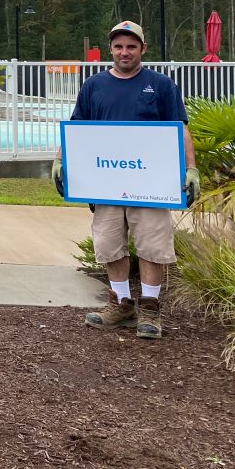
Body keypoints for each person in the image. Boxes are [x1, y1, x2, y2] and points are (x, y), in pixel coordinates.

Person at [54, 20, 198, 339]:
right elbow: (78, 130)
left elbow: (180, 128)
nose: (125, 52)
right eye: (119, 46)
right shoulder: (94, 86)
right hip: (105, 183)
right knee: (108, 243)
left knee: (151, 245)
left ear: (142, 49)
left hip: (150, 186)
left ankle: (149, 309)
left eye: (131, 46)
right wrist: (60, 160)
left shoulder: (160, 86)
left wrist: (191, 168)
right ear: (111, 50)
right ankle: (121, 304)